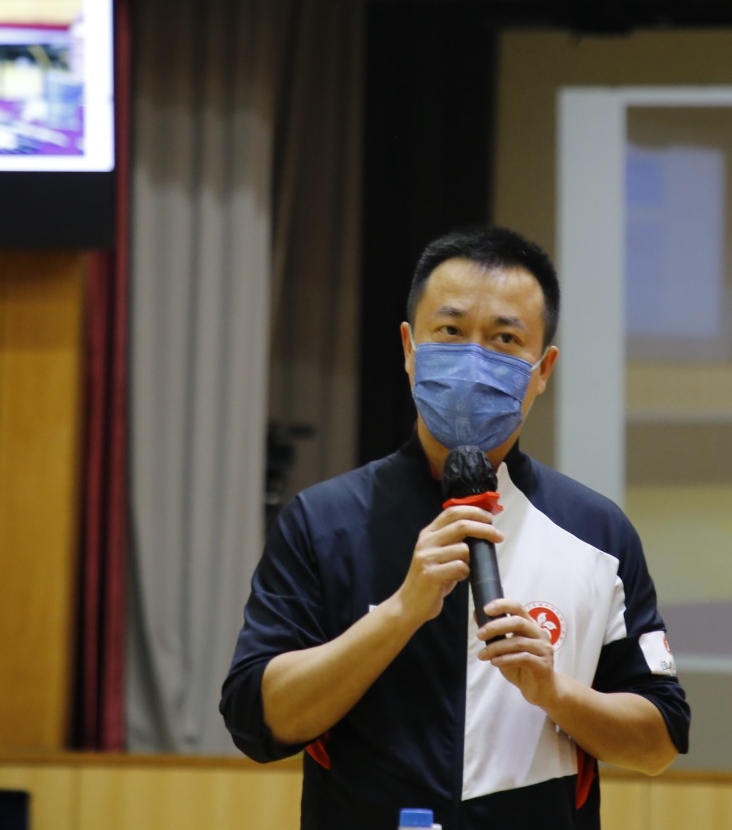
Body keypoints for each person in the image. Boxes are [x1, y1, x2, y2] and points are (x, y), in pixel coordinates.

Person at [221, 227, 690, 830]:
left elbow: (659, 743)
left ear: (542, 369)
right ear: (411, 348)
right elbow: (257, 722)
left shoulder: (598, 533)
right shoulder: (324, 522)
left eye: (504, 339)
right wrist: (398, 613)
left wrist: (554, 692)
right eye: (450, 331)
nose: (474, 358)